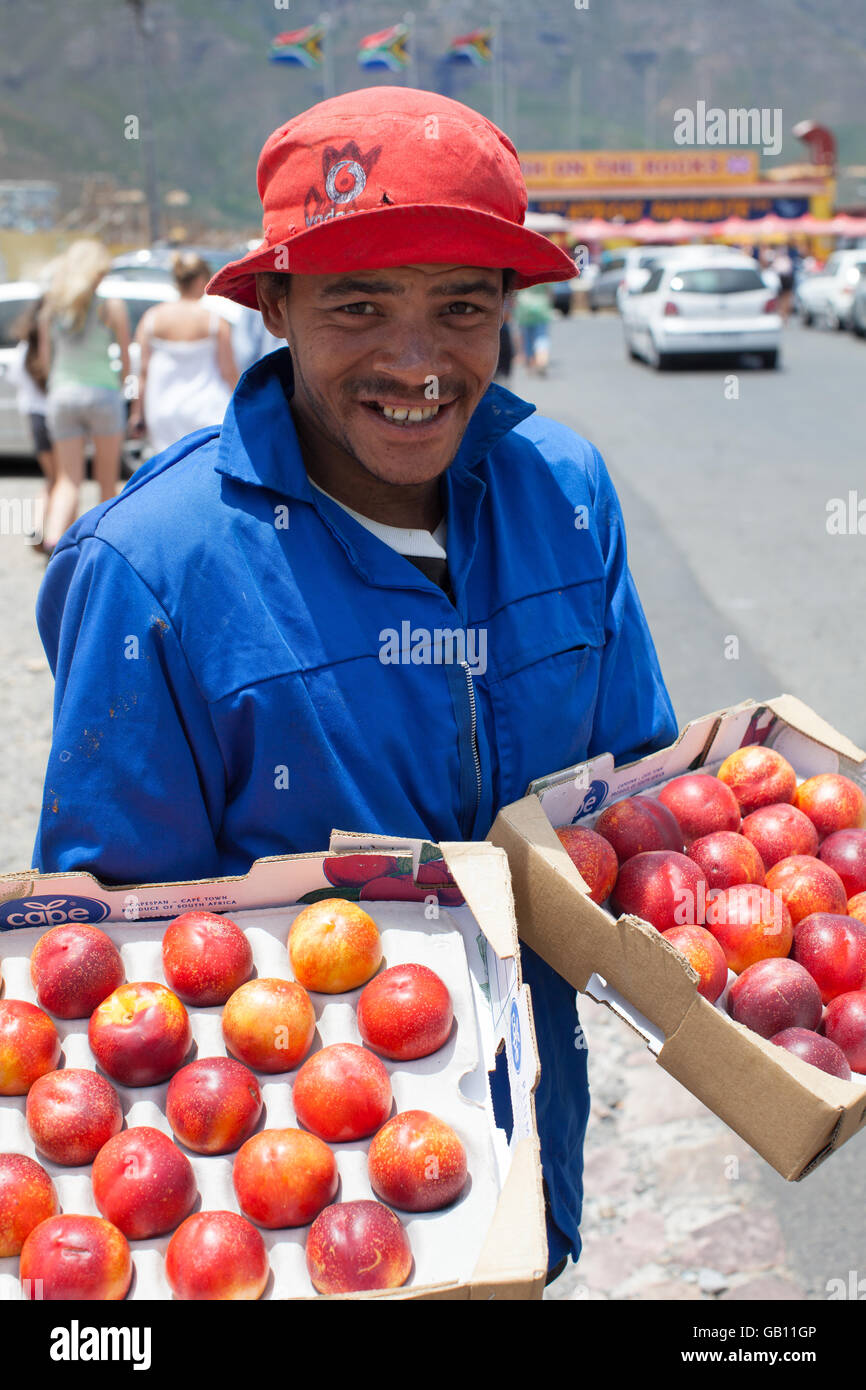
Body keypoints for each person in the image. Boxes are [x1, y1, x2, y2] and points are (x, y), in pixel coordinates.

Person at [32, 88, 678, 1282]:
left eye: (461, 308)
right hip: (281, 1166)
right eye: (358, 305)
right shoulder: (153, 568)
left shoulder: (564, 492)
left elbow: (625, 796)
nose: (417, 362)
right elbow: (112, 940)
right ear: (274, 305)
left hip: (522, 1108)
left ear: (506, 314)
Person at [37, 239, 129, 555]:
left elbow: (47, 359)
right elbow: (125, 362)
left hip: (62, 393)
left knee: (68, 480)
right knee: (106, 481)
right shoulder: (111, 306)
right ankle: (102, 551)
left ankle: (52, 543)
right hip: (103, 392)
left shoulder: (51, 307)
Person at [128, 252, 238, 455]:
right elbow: (228, 371)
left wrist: (136, 412)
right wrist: (241, 405)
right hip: (207, 410)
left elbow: (140, 373)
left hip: (162, 410)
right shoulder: (214, 321)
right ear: (199, 281)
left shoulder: (151, 318)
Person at [8, 297, 56, 537]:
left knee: (52, 478)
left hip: (36, 419)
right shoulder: (59, 347)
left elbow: (18, 386)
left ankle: (37, 525)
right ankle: (55, 534)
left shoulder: (23, 349)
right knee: (65, 478)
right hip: (58, 419)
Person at [514, 281, 554, 374]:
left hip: (524, 307)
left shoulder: (522, 270)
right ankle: (542, 361)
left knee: (527, 338)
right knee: (541, 337)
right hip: (541, 306)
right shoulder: (545, 272)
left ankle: (531, 363)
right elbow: (549, 291)